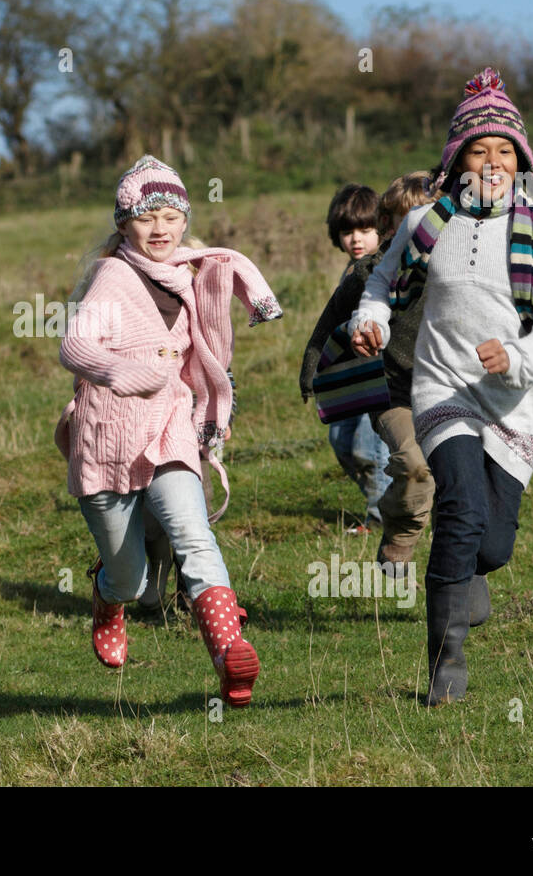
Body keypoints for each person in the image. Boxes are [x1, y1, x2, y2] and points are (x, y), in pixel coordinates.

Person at [350, 68, 533, 705]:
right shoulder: (425, 221)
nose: (494, 161)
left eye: (506, 150)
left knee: (495, 544)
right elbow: (378, 282)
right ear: (457, 158)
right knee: (461, 509)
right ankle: (444, 665)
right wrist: (370, 319)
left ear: (523, 159)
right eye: (480, 149)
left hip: (512, 399)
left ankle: (469, 577)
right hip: (442, 388)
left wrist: (517, 356)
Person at [56, 154, 283, 707]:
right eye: (145, 217)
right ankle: (108, 600)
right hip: (107, 441)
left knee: (194, 536)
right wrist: (120, 371)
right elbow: (73, 346)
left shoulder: (193, 273)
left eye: (170, 215)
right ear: (123, 224)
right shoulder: (112, 278)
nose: (159, 228)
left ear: (184, 220)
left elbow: (194, 359)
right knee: (131, 579)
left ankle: (229, 655)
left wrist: (210, 411)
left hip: (168, 429)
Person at [301, 173, 440, 566]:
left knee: (439, 475)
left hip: (445, 388)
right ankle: (394, 534)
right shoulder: (369, 272)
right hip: (384, 387)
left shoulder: (454, 268)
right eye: (398, 223)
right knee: (404, 463)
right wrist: (310, 369)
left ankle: (449, 555)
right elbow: (329, 320)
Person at [300, 184, 392, 534]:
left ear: (381, 229)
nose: (356, 239)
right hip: (346, 373)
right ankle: (390, 501)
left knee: (371, 448)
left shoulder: (382, 269)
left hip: (377, 376)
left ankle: (380, 517)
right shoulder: (349, 272)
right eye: (347, 231)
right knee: (341, 442)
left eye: (366, 230)